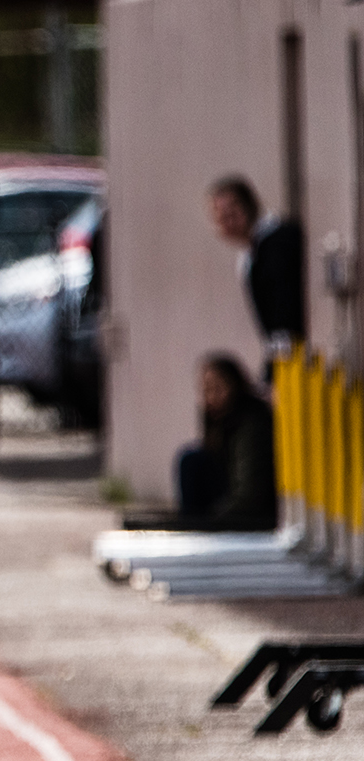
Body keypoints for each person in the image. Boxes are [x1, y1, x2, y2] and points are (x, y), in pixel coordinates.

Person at [126, 354, 276, 531]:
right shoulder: (220, 422)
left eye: (218, 388)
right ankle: (191, 524)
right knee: (192, 458)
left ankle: (192, 526)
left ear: (235, 385)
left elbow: (249, 492)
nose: (211, 397)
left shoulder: (251, 424)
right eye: (206, 390)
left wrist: (214, 519)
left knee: (191, 461)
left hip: (252, 511)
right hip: (230, 501)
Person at [209, 175, 306, 362]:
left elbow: (284, 311)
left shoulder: (278, 242)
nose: (228, 223)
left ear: (249, 206)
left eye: (232, 214)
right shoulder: (250, 253)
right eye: (221, 218)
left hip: (292, 355)